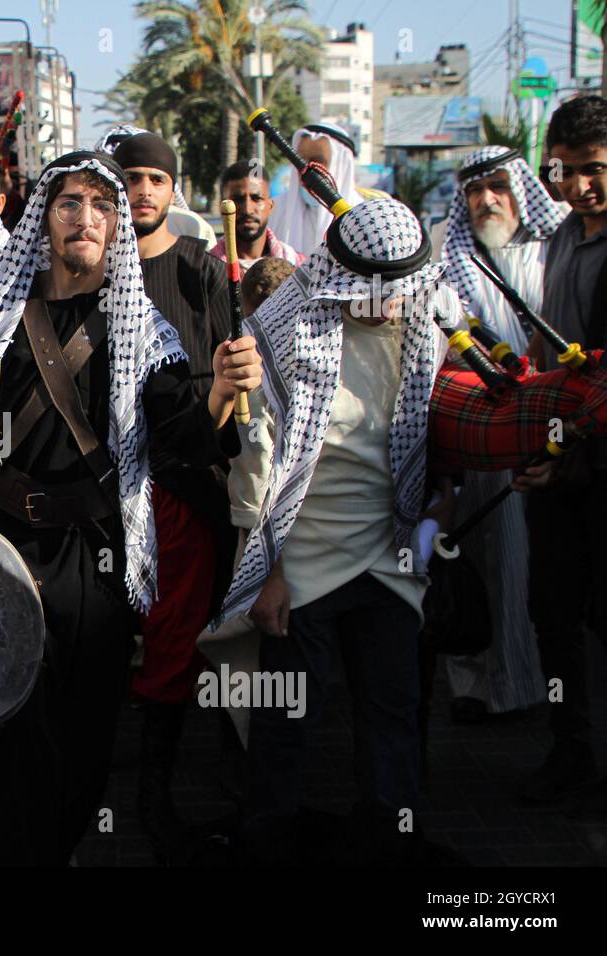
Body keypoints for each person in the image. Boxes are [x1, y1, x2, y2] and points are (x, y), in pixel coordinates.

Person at [0, 150, 262, 866]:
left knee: (82, 732)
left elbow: (184, 443)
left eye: (102, 205)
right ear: (45, 218)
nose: (85, 218)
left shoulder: (139, 325)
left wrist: (217, 394)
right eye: (70, 203)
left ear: (117, 223)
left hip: (92, 560)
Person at [219, 198, 456, 865]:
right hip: (301, 559)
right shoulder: (279, 332)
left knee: (392, 715)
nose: (380, 309)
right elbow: (253, 463)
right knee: (286, 716)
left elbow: (438, 444)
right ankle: (267, 842)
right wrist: (269, 569)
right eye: (365, 293)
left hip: (387, 558)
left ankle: (390, 842)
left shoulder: (428, 333)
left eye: (394, 295)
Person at [113, 131, 239, 862]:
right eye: (130, 178)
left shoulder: (199, 267)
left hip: (187, 478)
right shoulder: (96, 273)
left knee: (189, 635)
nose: (142, 193)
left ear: (173, 188)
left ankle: (166, 792)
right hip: (109, 484)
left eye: (155, 179)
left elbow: (230, 365)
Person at [436, 146, 565, 725]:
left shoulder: (552, 251)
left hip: (562, 432)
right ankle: (477, 685)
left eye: (499, 186)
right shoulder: (455, 259)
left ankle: (540, 684)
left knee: (550, 565)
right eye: (475, 190)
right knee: (490, 558)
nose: (487, 200)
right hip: (491, 434)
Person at [513, 95, 607, 809]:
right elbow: (550, 357)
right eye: (566, 171)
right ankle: (572, 750)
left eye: (595, 170)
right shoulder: (561, 239)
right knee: (555, 610)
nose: (580, 186)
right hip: (561, 459)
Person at [95, 125, 216, 243]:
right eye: (132, 178)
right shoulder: (93, 227)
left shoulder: (192, 226)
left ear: (172, 194)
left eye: (157, 180)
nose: (145, 191)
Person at [271, 123, 364, 257]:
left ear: (339, 165)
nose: (306, 168)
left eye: (317, 160)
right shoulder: (275, 209)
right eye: (301, 159)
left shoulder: (361, 215)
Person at [212, 161, 306, 269]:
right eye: (238, 199)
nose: (247, 210)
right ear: (222, 207)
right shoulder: (205, 270)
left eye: (256, 199)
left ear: (270, 205)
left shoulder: (297, 266)